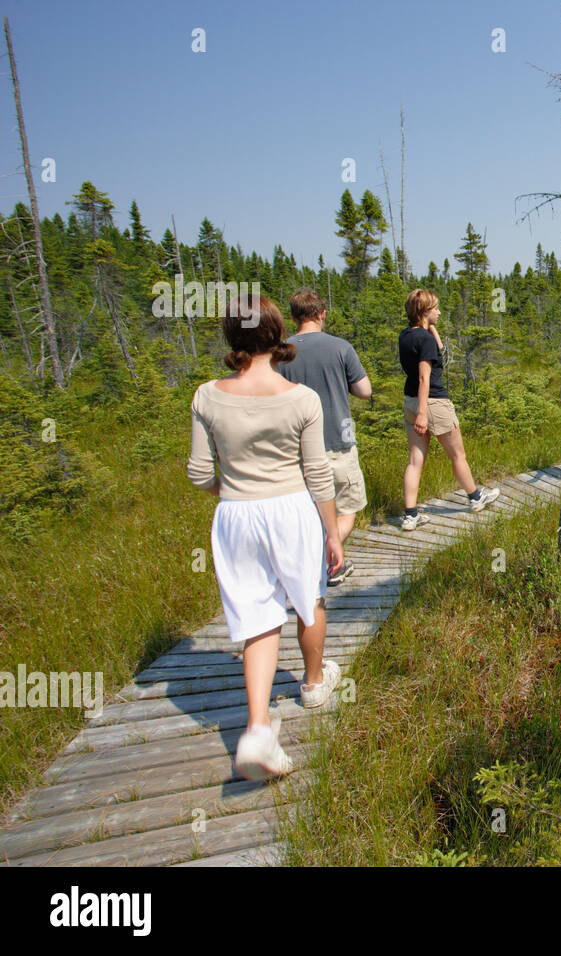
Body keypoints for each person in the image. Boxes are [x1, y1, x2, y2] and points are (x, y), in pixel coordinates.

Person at [187, 294, 344, 781]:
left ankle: (257, 729)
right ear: (278, 335)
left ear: (233, 338)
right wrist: (332, 532)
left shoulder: (206, 395)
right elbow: (318, 473)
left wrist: (230, 488)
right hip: (292, 508)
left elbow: (197, 473)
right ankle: (314, 683)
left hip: (235, 514)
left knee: (257, 616)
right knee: (307, 598)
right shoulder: (301, 400)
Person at [278, 289, 372, 586]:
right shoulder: (341, 348)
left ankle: (324, 561)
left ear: (292, 317)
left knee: (310, 514)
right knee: (347, 509)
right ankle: (325, 557)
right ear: (323, 313)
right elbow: (364, 390)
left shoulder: (281, 353)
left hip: (297, 451)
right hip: (338, 443)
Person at [398, 289, 499, 531]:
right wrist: (424, 413)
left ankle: (410, 515)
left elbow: (438, 347)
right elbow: (425, 377)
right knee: (457, 455)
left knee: (415, 460)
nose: (439, 312)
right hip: (432, 403)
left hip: (410, 401)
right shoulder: (424, 340)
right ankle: (475, 497)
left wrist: (429, 326)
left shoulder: (407, 336)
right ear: (424, 311)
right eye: (435, 309)